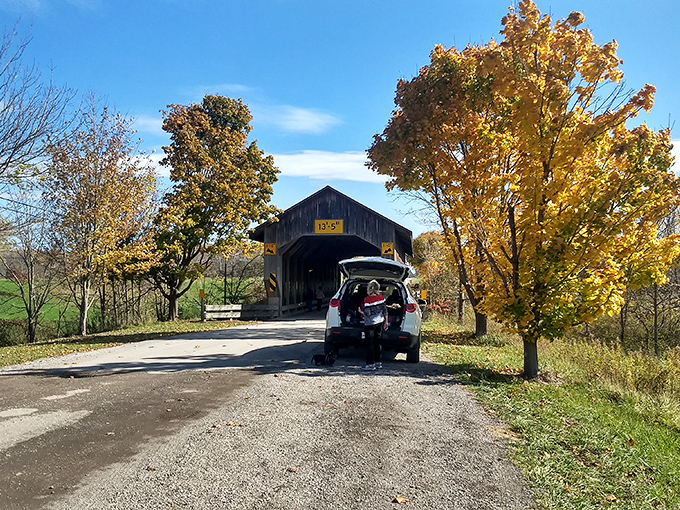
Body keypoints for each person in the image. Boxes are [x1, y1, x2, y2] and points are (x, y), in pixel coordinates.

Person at [360, 279, 387, 371]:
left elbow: (367, 313)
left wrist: (361, 311)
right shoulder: (381, 298)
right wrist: (386, 322)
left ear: (369, 289)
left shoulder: (367, 299)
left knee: (370, 344)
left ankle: (370, 364)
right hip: (380, 322)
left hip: (370, 324)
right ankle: (378, 362)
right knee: (378, 343)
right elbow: (385, 311)